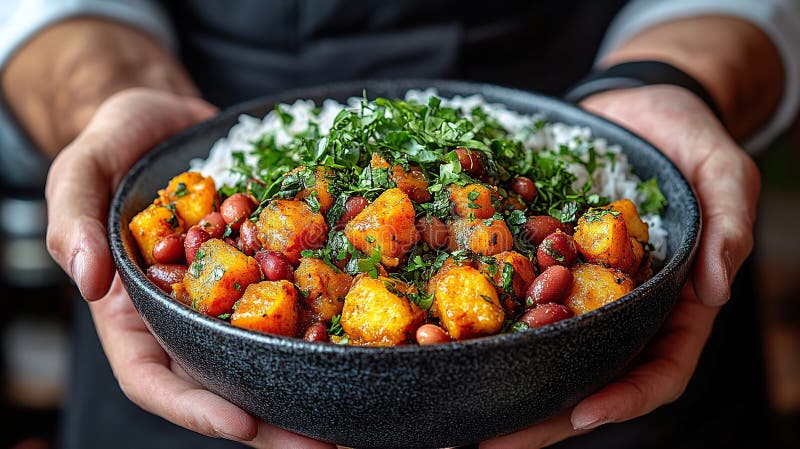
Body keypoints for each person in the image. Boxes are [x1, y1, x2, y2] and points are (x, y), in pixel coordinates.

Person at [1, 1, 799, 448]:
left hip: (620, 378)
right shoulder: (253, 226)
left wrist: (679, 79)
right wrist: (101, 98)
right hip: (204, 375)